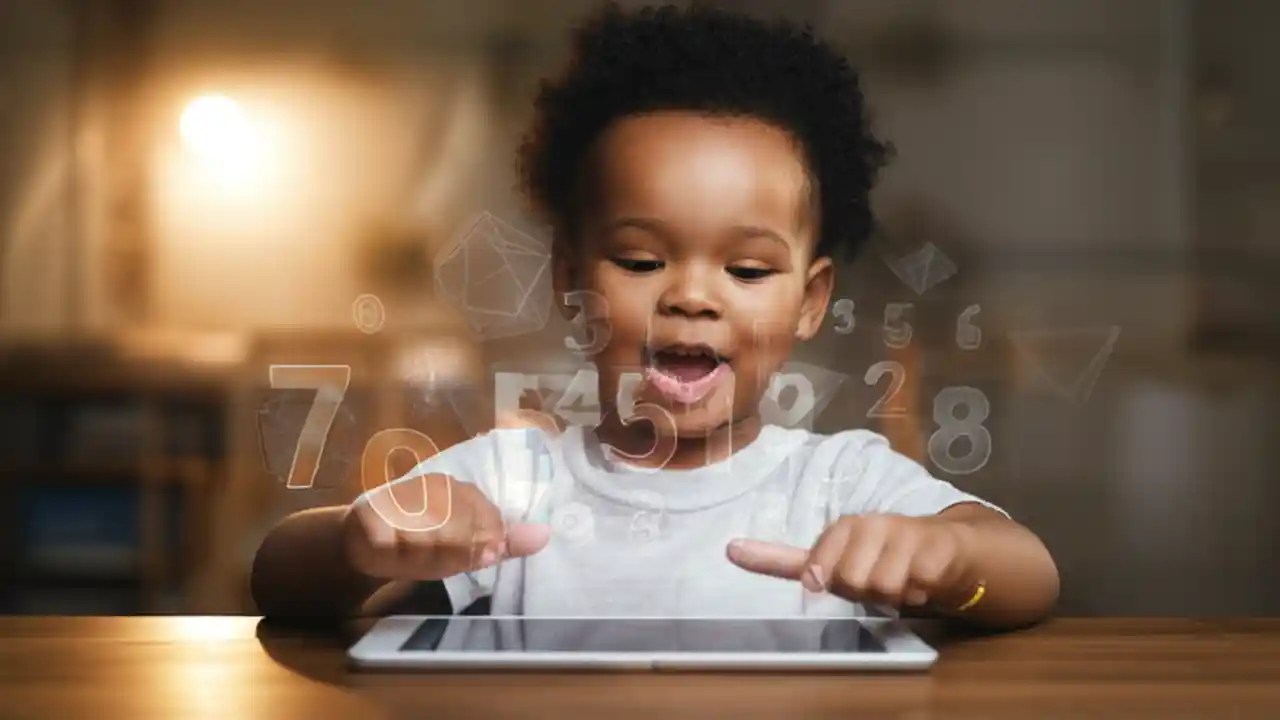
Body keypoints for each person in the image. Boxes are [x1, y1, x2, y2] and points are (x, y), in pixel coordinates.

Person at [252, 3, 1059, 629]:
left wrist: (953, 565)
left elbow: (1026, 578)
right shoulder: (516, 480)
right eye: (641, 261)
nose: (691, 295)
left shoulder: (838, 480)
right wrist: (359, 545)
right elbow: (280, 579)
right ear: (571, 282)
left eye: (746, 268)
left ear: (810, 302)